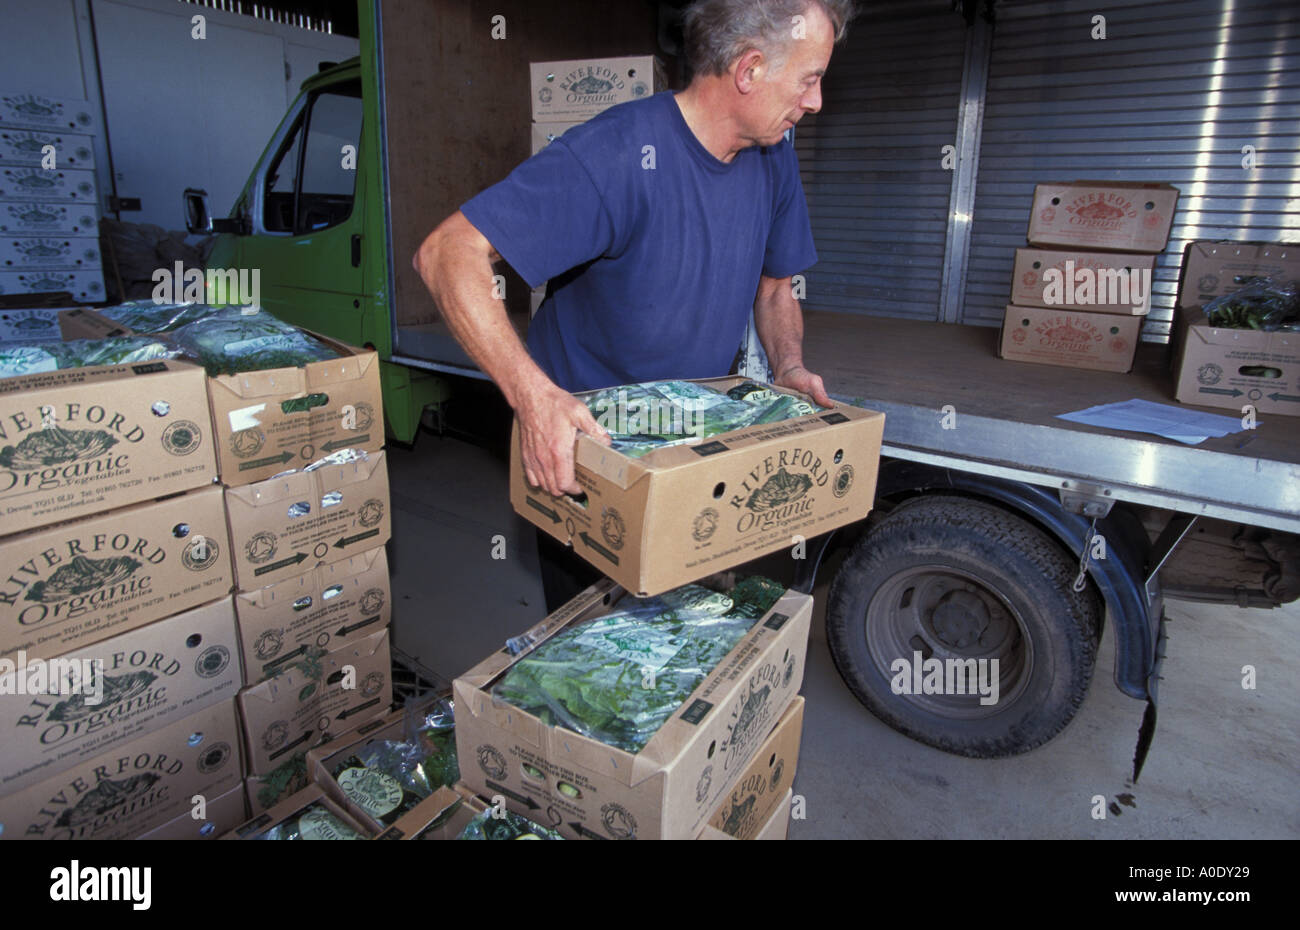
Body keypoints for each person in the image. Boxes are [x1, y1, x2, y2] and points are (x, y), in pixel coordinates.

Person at [413, 0, 856, 609]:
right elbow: (446, 254)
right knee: (590, 643)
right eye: (810, 79)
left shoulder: (773, 156)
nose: (816, 102)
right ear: (749, 70)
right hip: (589, 449)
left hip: (693, 442)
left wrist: (788, 368)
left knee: (682, 630)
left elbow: (776, 285)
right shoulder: (618, 153)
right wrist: (535, 401)